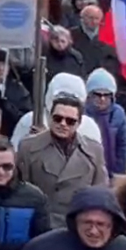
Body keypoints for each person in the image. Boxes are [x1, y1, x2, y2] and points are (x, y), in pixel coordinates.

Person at [17, 94, 108, 228]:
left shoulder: (94, 150)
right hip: (41, 224)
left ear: (79, 123)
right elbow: (21, 190)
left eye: (70, 121)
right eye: (57, 118)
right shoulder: (28, 147)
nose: (63, 124)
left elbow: (100, 192)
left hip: (77, 225)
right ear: (49, 118)